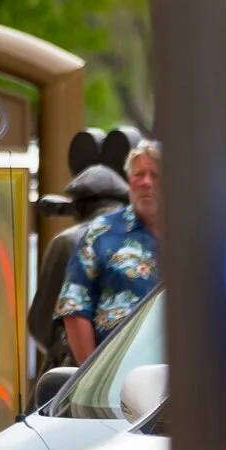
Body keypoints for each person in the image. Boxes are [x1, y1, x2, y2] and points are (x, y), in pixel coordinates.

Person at [57, 139, 162, 364]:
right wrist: (94, 376)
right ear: (128, 181)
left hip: (182, 376)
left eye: (155, 175)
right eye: (139, 174)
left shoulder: (193, 236)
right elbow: (74, 306)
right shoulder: (101, 232)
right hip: (115, 377)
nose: (146, 182)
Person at [27, 166, 130, 369]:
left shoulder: (68, 241)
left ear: (80, 205)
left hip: (76, 371)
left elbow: (40, 324)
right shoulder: (140, 240)